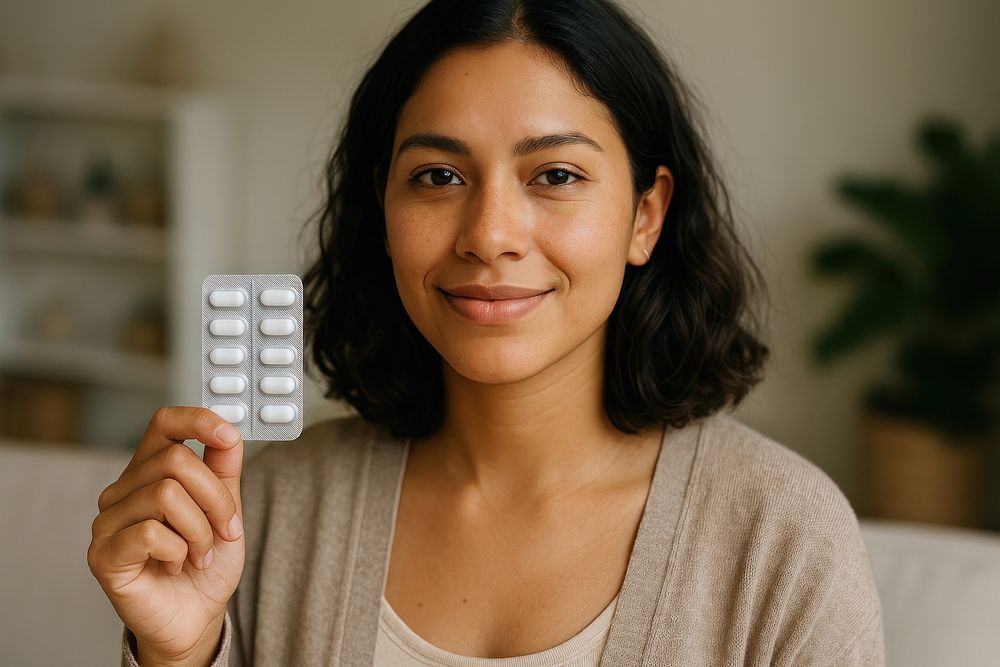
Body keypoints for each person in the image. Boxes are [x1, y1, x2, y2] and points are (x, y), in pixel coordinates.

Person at [89, 0, 885, 665]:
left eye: (556, 175)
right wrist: (177, 654)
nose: (489, 234)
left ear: (646, 215)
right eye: (438, 176)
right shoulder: (265, 510)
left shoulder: (783, 538)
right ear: (384, 209)